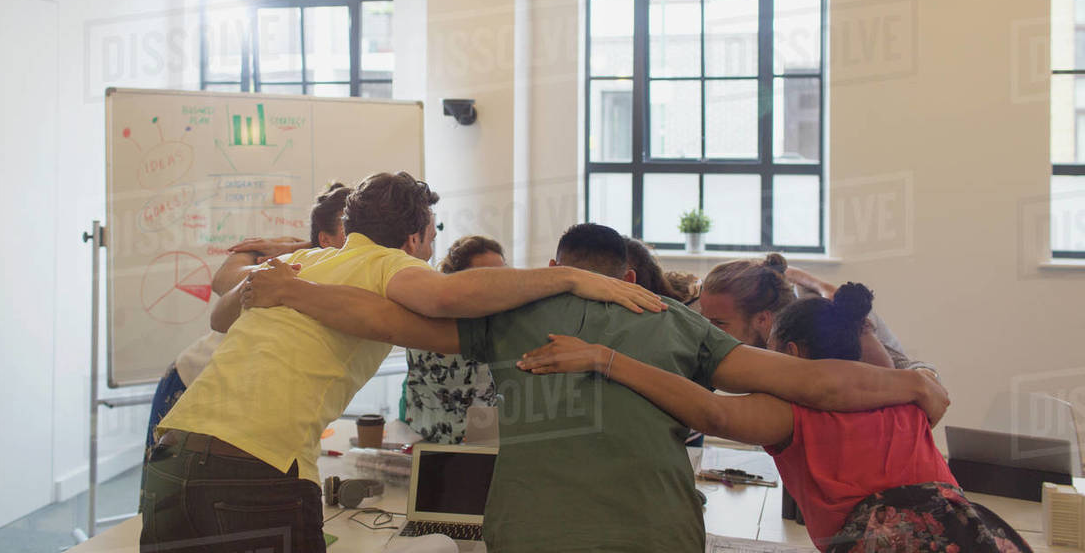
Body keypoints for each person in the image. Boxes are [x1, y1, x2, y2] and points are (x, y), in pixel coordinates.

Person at [241, 222, 949, 553]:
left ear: (557, 267)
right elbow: (813, 384)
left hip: (533, 536)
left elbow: (382, 316)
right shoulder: (678, 323)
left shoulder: (510, 315)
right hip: (654, 534)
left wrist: (292, 292)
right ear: (630, 274)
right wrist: (912, 381)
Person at [141, 173, 663, 553]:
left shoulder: (301, 264)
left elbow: (220, 317)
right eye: (432, 239)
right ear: (414, 238)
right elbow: (447, 299)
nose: (431, 254)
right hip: (254, 466)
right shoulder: (390, 262)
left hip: (174, 454)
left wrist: (273, 268)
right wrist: (568, 278)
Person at [518, 283, 1029, 553]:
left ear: (788, 352)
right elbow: (878, 354)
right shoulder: (906, 392)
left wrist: (607, 359)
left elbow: (710, 410)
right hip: (977, 530)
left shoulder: (793, 413)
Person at [139, 183, 351, 464]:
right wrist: (295, 250)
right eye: (352, 230)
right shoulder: (291, 266)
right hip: (193, 377)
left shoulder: (350, 267)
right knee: (166, 487)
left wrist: (298, 247)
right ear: (326, 238)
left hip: (240, 399)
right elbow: (223, 281)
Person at [699, 253, 937, 376]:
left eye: (719, 323)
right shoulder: (765, 308)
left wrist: (924, 378)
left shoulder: (827, 327)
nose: (708, 332)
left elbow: (911, 369)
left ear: (763, 319)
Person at [404, 235, 506, 443]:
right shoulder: (428, 326)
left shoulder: (503, 325)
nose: (500, 286)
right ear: (457, 281)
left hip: (487, 449)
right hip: (435, 450)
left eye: (503, 277)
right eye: (486, 278)